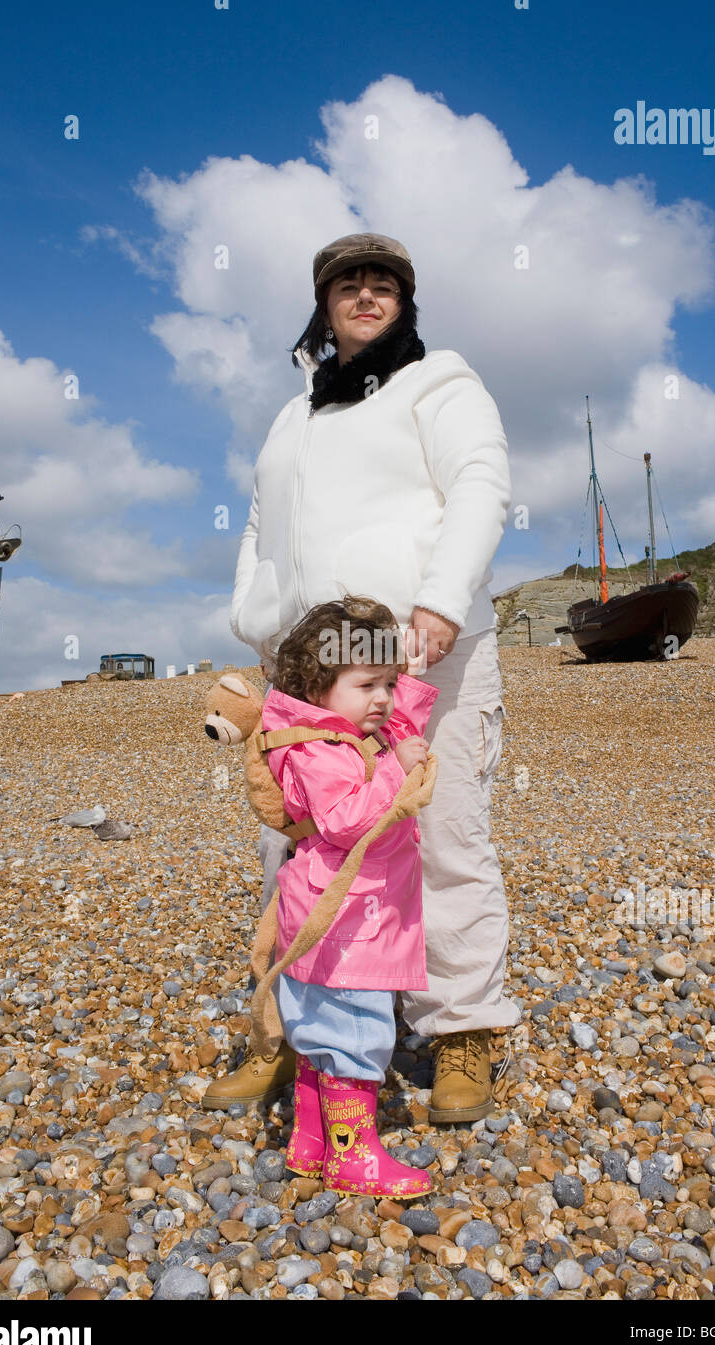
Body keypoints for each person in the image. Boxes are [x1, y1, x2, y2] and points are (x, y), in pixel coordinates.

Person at [203, 231, 519, 1123]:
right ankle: (301, 1039)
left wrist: (442, 599)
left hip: (425, 651)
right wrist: (255, 619)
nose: (367, 296)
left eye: (385, 285)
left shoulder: (438, 381)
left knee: (442, 834)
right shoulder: (293, 413)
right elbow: (261, 529)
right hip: (309, 672)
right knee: (297, 850)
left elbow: (482, 483)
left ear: (404, 303)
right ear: (326, 303)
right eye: (350, 285)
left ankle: (460, 1031)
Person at [261, 596, 436, 1197]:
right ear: (318, 686)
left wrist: (404, 671)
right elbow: (344, 820)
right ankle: (354, 1156)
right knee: (356, 1032)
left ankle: (310, 1144)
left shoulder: (344, 735)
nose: (383, 699)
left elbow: (400, 725)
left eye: (390, 683)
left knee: (319, 1031)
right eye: (368, 685)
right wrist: (395, 772)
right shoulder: (321, 750)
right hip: (347, 925)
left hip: (332, 918)